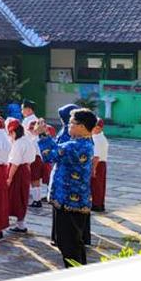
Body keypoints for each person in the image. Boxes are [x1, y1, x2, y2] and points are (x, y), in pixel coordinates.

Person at [36, 107, 97, 267]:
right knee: (74, 243)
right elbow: (59, 147)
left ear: (82, 127)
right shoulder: (81, 142)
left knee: (68, 244)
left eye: (71, 123)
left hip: (70, 202)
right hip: (70, 201)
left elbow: (50, 155)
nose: (68, 126)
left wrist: (42, 134)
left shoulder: (76, 146)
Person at [6, 117, 35, 234]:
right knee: (23, 196)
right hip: (26, 169)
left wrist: (9, 177)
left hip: (18, 171)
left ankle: (18, 223)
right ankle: (21, 222)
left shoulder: (18, 144)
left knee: (15, 196)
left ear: (13, 132)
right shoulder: (27, 140)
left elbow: (15, 163)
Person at [91, 118, 108, 212]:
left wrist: (93, 169)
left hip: (98, 164)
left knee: (96, 185)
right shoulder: (100, 137)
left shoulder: (97, 139)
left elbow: (96, 156)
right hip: (101, 163)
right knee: (100, 184)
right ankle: (100, 203)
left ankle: (96, 204)